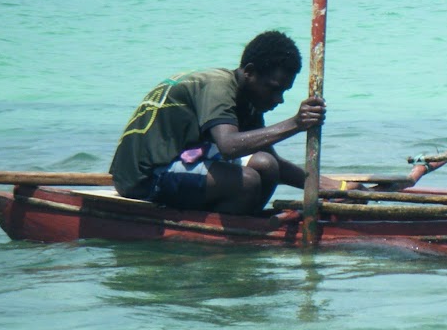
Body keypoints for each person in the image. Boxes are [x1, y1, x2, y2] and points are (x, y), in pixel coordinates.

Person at [110, 31, 326, 213]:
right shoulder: (218, 87)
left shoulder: (248, 99)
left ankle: (242, 222)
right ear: (249, 72)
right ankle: (228, 234)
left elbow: (274, 162)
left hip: (178, 162)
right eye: (273, 89)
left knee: (267, 165)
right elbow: (229, 146)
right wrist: (296, 123)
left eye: (284, 92)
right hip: (143, 178)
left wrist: (331, 188)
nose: (278, 99)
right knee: (247, 181)